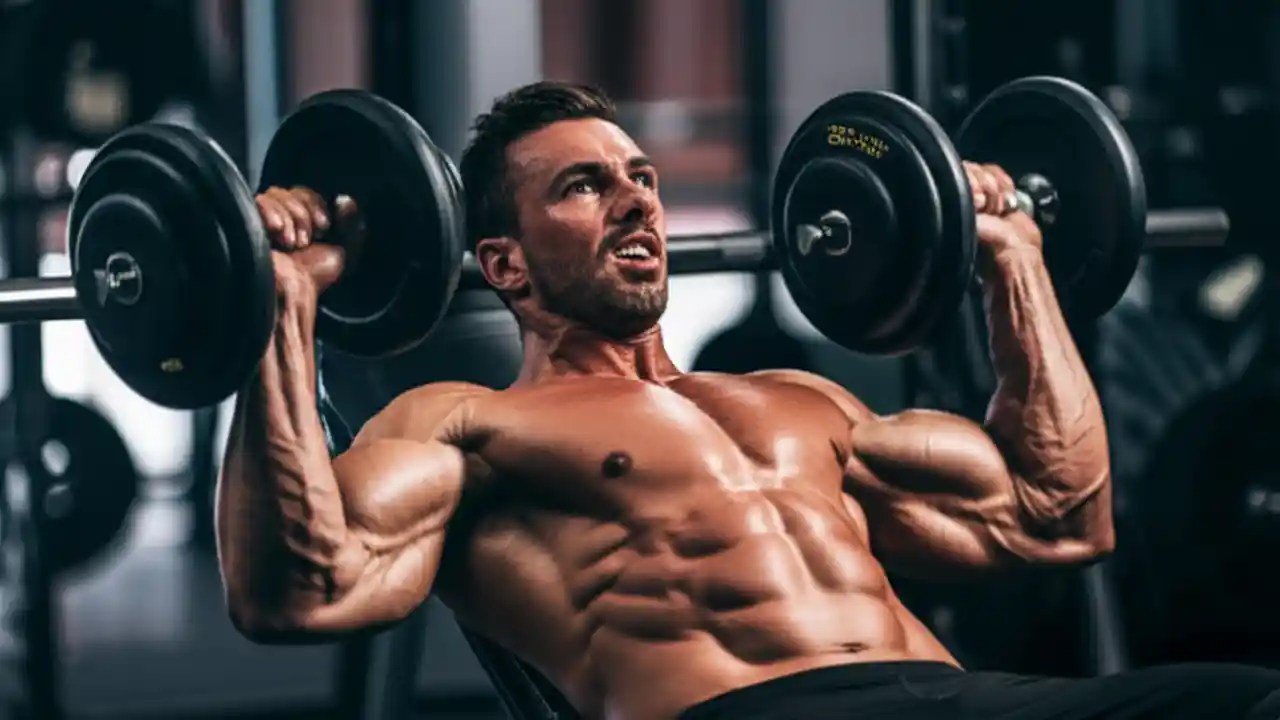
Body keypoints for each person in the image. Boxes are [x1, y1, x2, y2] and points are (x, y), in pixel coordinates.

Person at [217, 81, 1280, 720]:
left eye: (640, 176)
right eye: (581, 186)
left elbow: (1057, 514)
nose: (635, 197)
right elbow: (296, 588)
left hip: (958, 699)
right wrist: (279, 307)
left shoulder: (798, 402)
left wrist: (1012, 256)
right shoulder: (465, 424)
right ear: (501, 262)